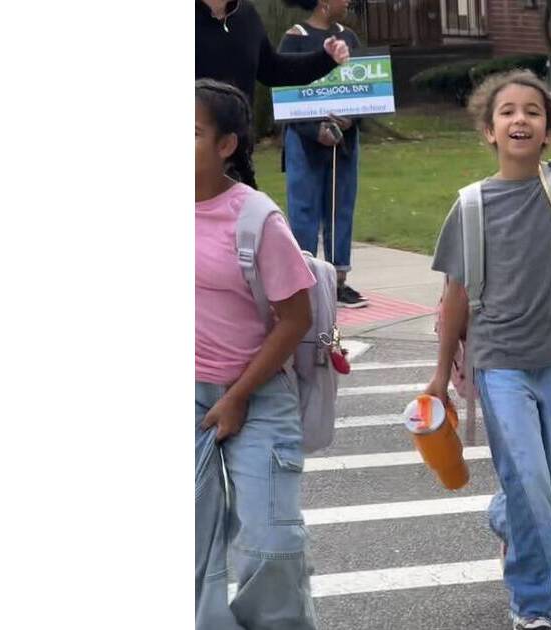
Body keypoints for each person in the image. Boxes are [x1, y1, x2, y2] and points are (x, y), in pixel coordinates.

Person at [425, 3, 551, 628]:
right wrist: (440, 375)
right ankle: (534, 604)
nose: (520, 119)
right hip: (499, 365)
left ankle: (506, 513)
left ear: (548, 132)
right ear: (489, 130)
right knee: (534, 487)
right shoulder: (470, 205)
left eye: (533, 111)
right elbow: (456, 297)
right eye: (507, 112)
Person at [195, 79, 319, 630]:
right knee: (191, 554)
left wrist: (239, 396)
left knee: (272, 546)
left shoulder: (256, 218)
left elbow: (296, 318)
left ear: (226, 145)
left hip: (259, 395)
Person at [195, 0, 351, 187]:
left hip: (236, 161)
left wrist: (325, 59)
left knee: (248, 214)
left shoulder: (246, 16)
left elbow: (273, 69)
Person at [278, 0, 368, 308]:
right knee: (304, 210)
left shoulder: (350, 37)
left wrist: (352, 118)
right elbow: (286, 90)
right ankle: (305, 283)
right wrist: (313, 129)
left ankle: (338, 280)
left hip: (344, 141)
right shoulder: (296, 38)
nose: (348, 2)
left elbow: (365, 86)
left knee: (341, 207)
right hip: (304, 141)